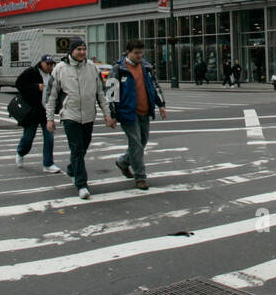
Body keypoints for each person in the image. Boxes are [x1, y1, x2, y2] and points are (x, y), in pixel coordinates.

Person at [46, 37, 115, 200]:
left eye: (84, 49)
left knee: (83, 148)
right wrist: (50, 118)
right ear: (71, 51)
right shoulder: (60, 69)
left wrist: (107, 114)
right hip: (70, 115)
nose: (82, 52)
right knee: (76, 149)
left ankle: (72, 169)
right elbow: (51, 95)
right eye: (79, 49)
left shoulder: (92, 68)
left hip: (89, 116)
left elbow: (100, 93)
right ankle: (82, 184)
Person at [108, 39, 167, 191]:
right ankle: (140, 177)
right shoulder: (118, 68)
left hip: (144, 111)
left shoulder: (146, 67)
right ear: (128, 52)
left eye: (141, 52)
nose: (139, 55)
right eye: (136, 53)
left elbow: (154, 86)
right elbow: (111, 92)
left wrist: (161, 105)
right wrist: (112, 113)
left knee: (142, 141)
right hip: (128, 112)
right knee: (136, 144)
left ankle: (123, 161)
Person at [15, 55, 60, 173]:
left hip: (46, 112)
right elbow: (19, 84)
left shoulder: (52, 76)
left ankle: (48, 164)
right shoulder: (31, 72)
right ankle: (21, 152)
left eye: (51, 64)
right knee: (28, 137)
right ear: (41, 63)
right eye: (48, 64)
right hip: (33, 111)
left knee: (49, 138)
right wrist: (35, 87)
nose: (50, 66)